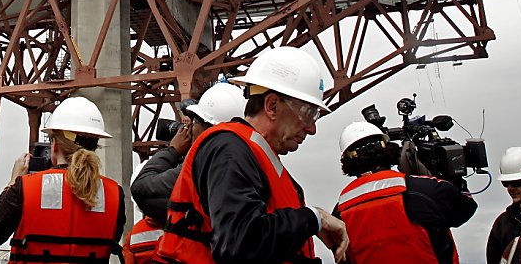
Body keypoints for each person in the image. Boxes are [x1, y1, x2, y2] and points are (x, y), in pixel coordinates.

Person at [154, 46, 349, 264]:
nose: (312, 128)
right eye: (307, 113)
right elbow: (240, 243)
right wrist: (313, 218)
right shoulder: (229, 150)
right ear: (272, 106)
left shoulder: (250, 153)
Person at [0, 96, 126, 263]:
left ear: (55, 144)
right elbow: (113, 237)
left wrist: (13, 181)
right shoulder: (114, 194)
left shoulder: (26, 187)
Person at [126, 82, 247, 263]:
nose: (190, 129)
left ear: (210, 129)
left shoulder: (203, 168)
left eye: (195, 122)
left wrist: (173, 150)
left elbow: (142, 188)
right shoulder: (250, 165)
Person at [331, 121, 477, 263]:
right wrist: (453, 177)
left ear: (347, 160)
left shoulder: (338, 214)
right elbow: (466, 209)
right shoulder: (426, 189)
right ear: (388, 148)